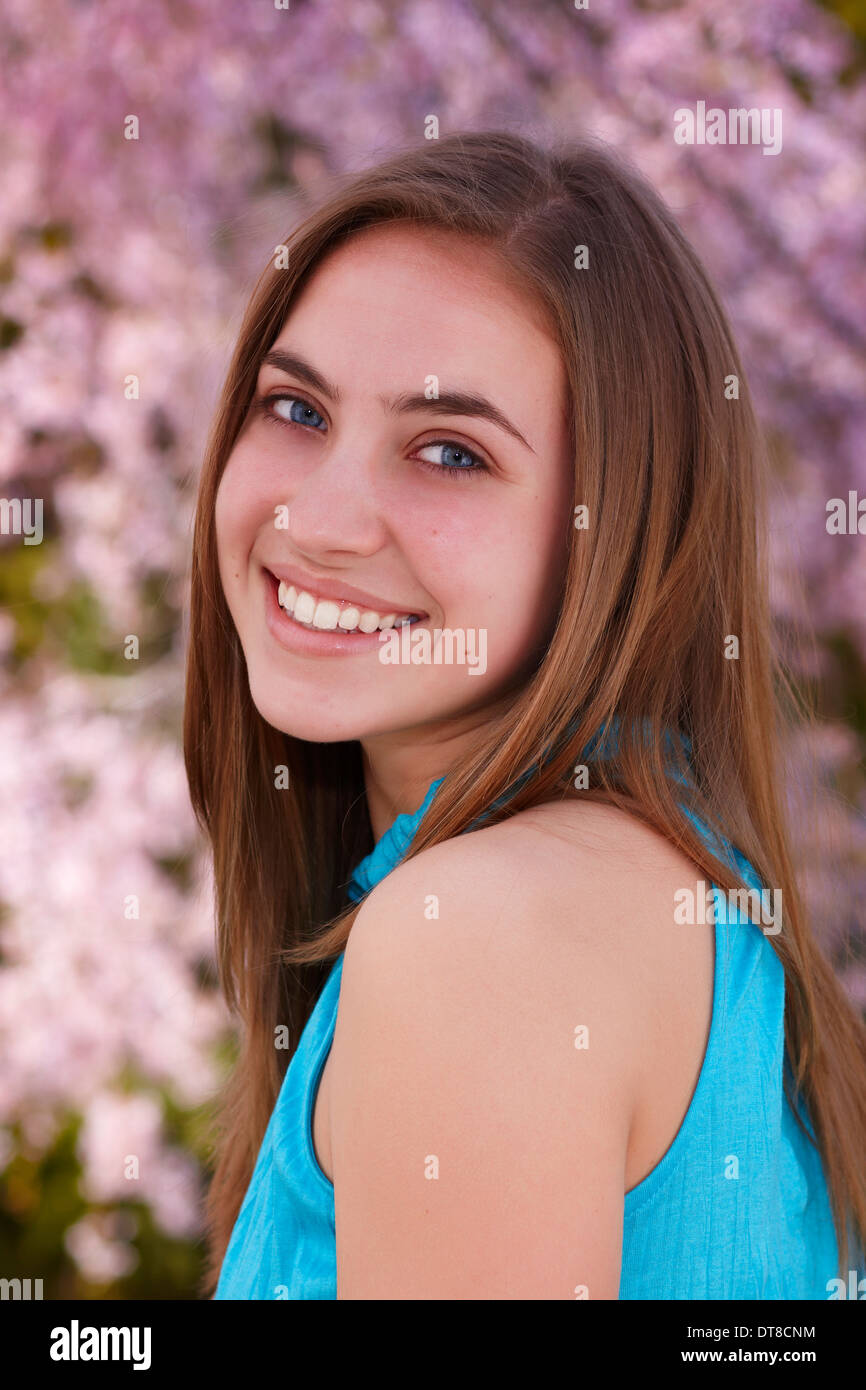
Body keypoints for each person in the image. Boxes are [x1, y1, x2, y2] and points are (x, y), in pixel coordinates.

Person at [183, 129, 866, 1299]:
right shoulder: (661, 887)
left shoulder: (478, 939)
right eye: (294, 409)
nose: (324, 517)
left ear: (615, 535)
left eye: (448, 451)